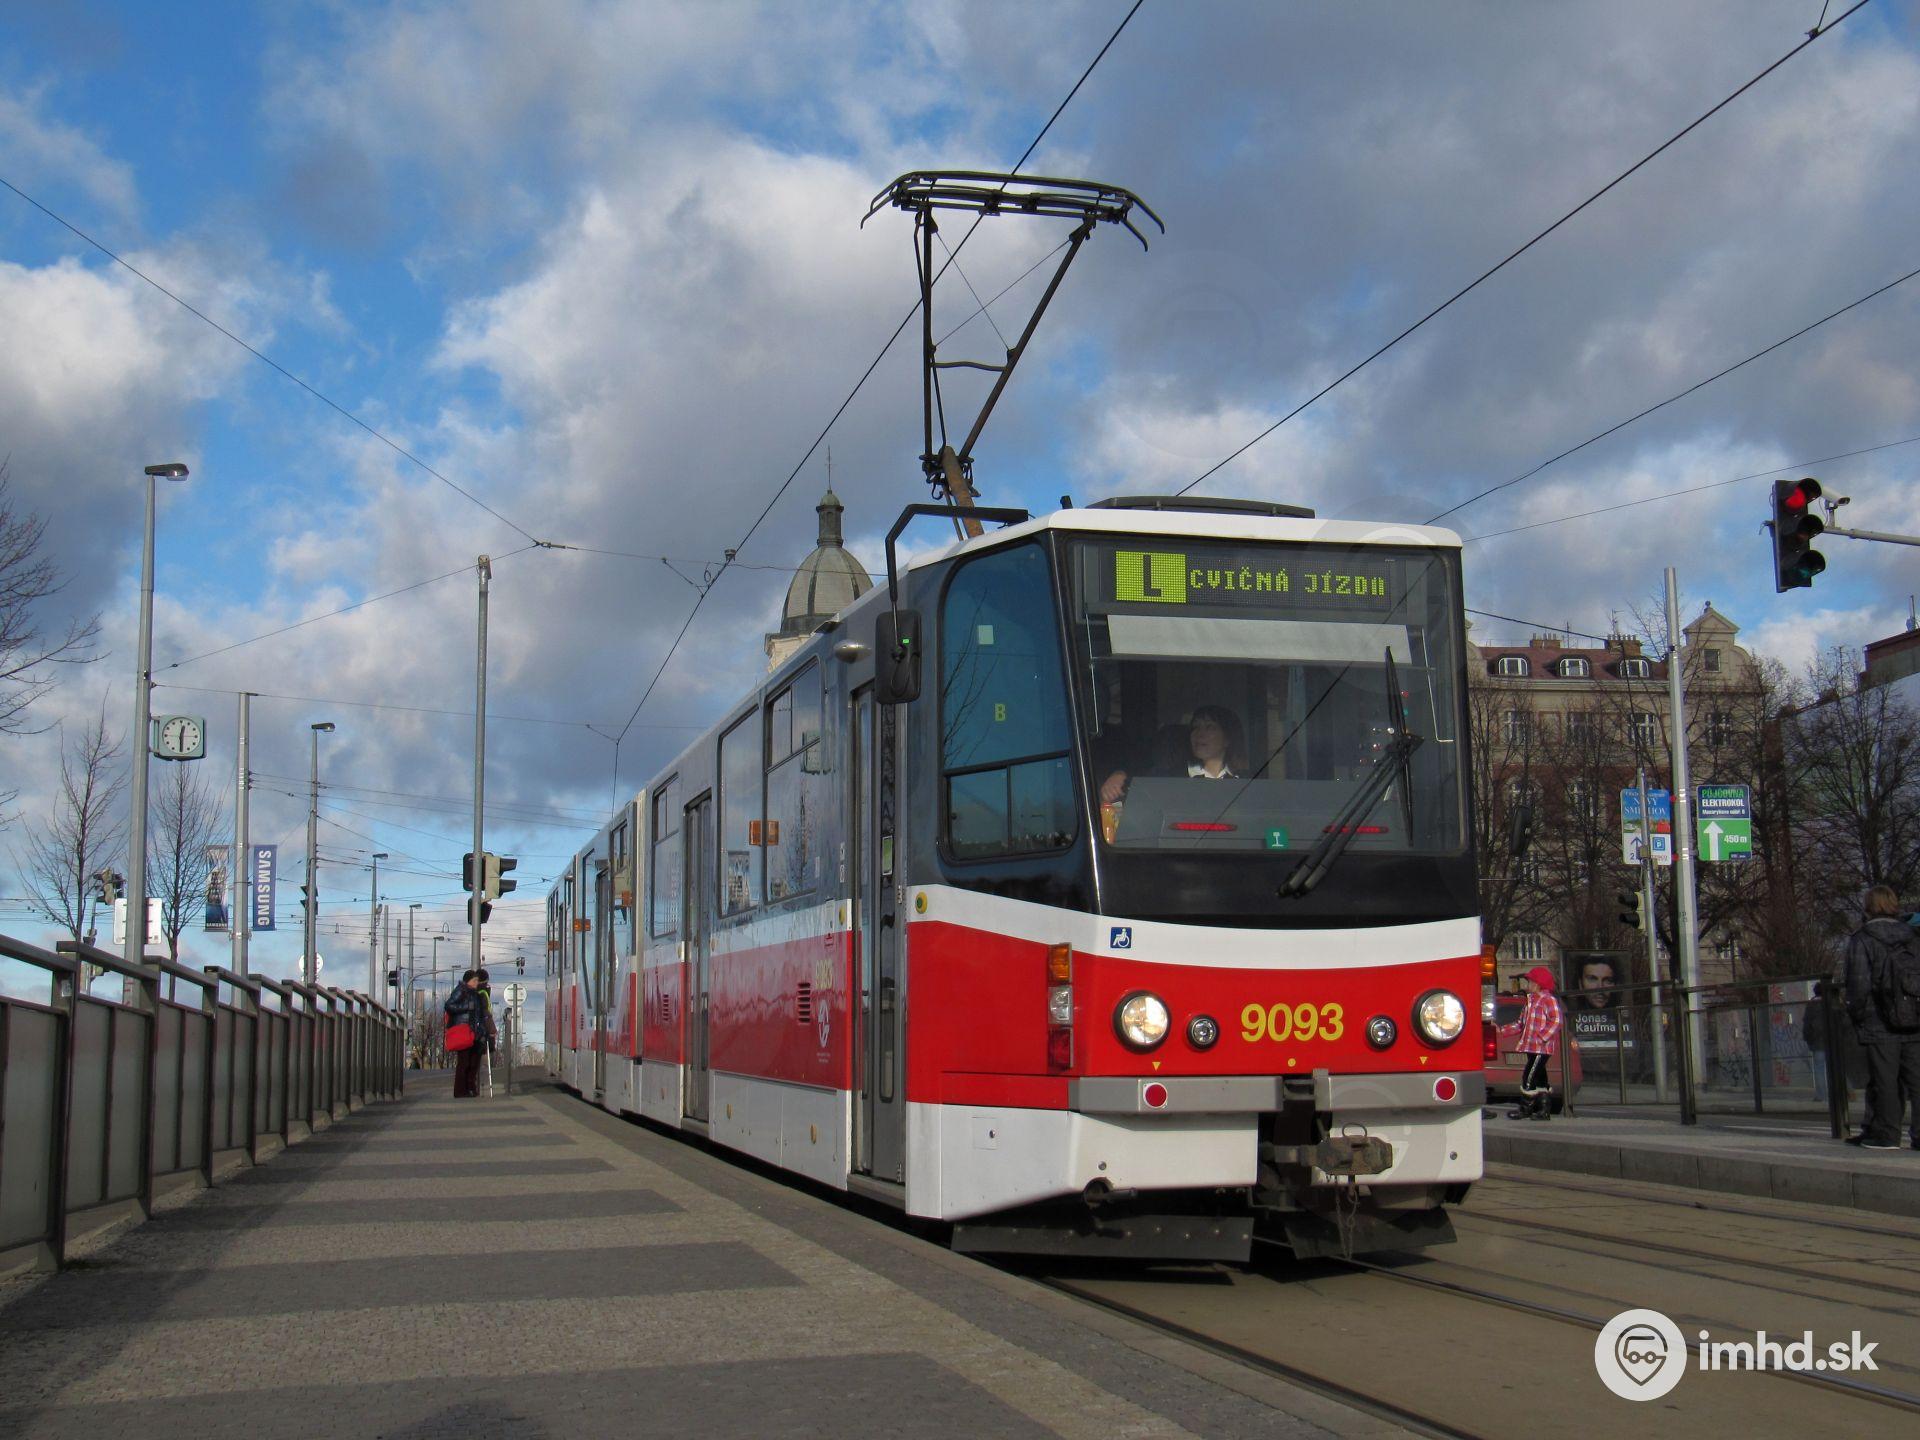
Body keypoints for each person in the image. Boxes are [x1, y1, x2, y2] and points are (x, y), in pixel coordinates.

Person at [1843, 885, 1920, 1150]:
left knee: (1884, 1080)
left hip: (1878, 1021)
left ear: (1869, 906)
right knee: (1917, 1079)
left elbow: (1858, 984)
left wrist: (1857, 1015)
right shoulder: (1912, 936)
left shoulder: (1863, 938)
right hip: (1914, 1017)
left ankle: (1887, 1134)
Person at [1100, 705, 1249, 803]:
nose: (1199, 733)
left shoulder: (1246, 781)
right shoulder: (1164, 778)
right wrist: (1119, 776)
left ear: (1228, 738)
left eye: (1210, 727)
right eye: (1195, 727)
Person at [1508, 966, 1563, 1121]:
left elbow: (1557, 1020)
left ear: (1539, 984)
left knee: (1529, 1076)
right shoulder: (1530, 1001)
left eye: (1530, 982)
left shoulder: (1548, 999)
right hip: (1531, 1046)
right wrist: (1501, 1030)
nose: (1528, 985)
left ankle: (1526, 1108)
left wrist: (1542, 1037)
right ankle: (1544, 1110)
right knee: (1540, 1077)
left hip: (1541, 1048)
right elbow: (1520, 1024)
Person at [446, 970, 488, 1099]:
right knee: (464, 1062)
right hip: (464, 1030)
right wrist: (466, 1007)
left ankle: (470, 1089)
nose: (476, 983)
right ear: (468, 981)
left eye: (477, 980)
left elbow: (479, 1014)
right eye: (474, 980)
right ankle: (460, 1091)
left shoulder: (475, 994)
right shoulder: (461, 990)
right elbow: (449, 1005)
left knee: (473, 1062)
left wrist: (482, 1030)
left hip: (474, 1031)